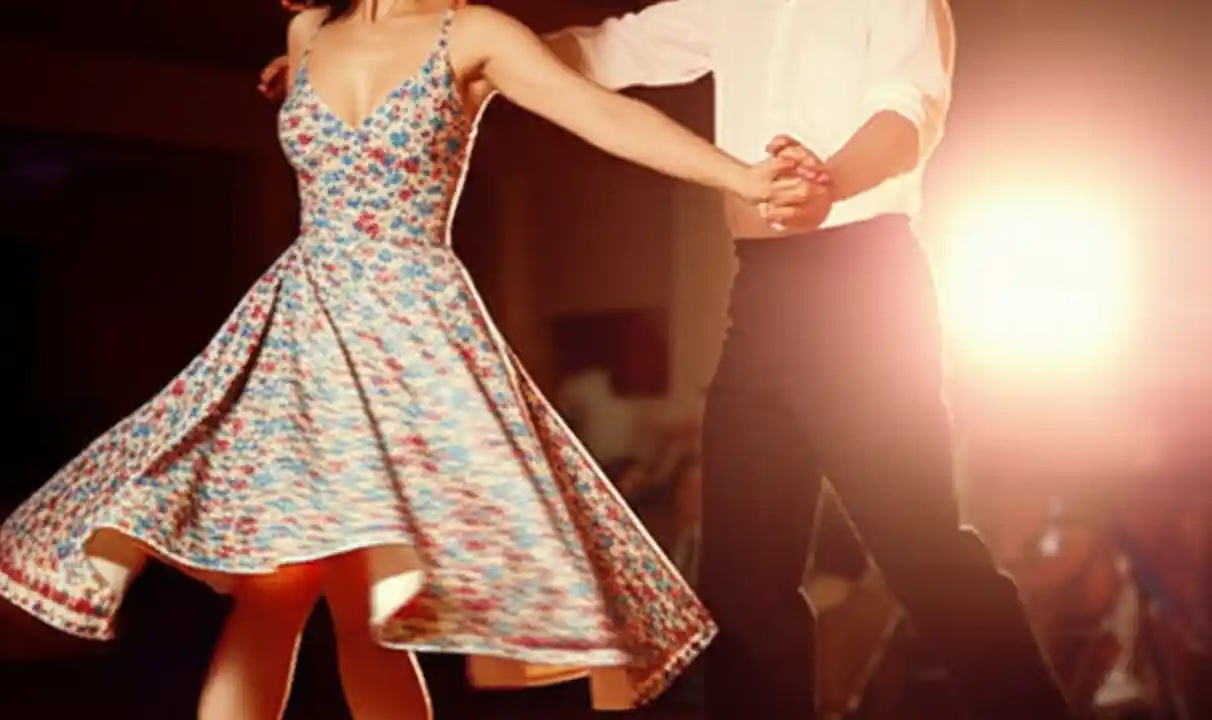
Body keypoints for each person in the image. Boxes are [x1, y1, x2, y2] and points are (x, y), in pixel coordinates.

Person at [0, 1, 816, 719]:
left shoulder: (473, 33)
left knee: (362, 608)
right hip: (301, 330)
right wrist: (298, 71)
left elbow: (600, 113)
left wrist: (743, 178)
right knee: (276, 590)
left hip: (408, 336)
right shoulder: (311, 34)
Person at [262, 1, 1078, 718]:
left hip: (864, 287)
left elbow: (910, 117)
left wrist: (831, 178)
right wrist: (379, 64)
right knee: (742, 581)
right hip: (762, 298)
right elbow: (602, 53)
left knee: (921, 552)